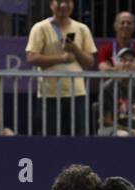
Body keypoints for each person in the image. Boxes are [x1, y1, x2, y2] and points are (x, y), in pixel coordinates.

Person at [25, 0, 95, 136]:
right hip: (49, 94)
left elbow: (89, 62)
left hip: (77, 93)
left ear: (73, 4)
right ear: (51, 4)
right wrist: (61, 58)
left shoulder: (82, 29)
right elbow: (31, 58)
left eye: (67, 2)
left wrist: (75, 49)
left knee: (78, 138)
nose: (63, 5)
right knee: (48, 139)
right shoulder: (40, 28)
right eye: (59, 2)